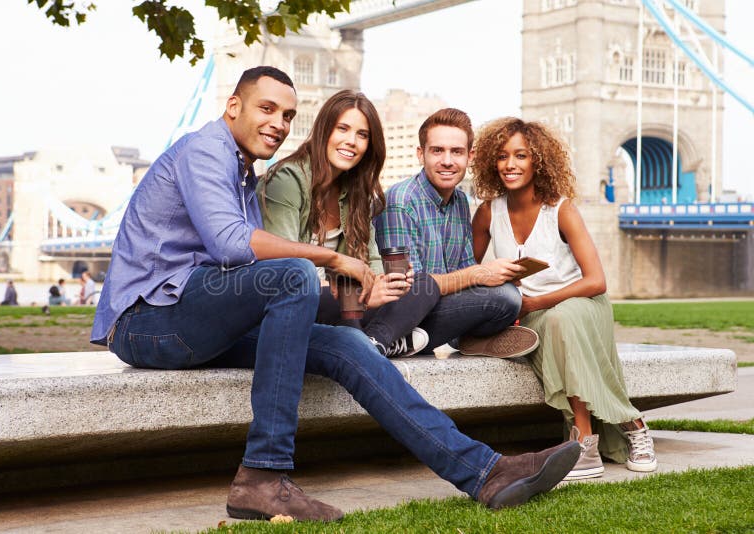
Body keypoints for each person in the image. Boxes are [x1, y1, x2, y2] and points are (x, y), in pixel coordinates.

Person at [90, 67, 580, 522]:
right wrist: (333, 259)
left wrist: (356, 300)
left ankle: (484, 471)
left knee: (349, 345)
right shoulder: (205, 151)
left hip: (201, 320)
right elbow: (231, 245)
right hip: (147, 321)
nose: (278, 124)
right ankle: (263, 475)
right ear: (234, 105)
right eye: (266, 109)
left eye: (286, 116)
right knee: (295, 275)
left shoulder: (242, 171)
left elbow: (238, 273)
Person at [470, 117, 657, 480]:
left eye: (521, 155)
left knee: (562, 320)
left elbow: (596, 281)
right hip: (529, 315)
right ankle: (630, 425)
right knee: (556, 324)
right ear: (492, 161)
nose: (510, 164)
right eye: (503, 156)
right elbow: (469, 270)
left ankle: (586, 442)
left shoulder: (561, 209)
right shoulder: (487, 213)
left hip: (582, 306)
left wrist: (536, 302)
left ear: (537, 160)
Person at [259, 89, 438, 357]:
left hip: (348, 303)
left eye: (362, 135)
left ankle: (374, 343)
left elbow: (373, 261)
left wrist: (386, 282)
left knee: (426, 286)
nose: (351, 141)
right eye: (342, 128)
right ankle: (381, 340)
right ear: (324, 131)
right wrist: (363, 296)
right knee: (352, 308)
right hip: (299, 300)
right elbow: (284, 269)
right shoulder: (287, 180)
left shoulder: (357, 193)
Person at [374, 108, 539, 358]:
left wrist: (493, 275)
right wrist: (479, 274)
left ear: (469, 157)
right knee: (505, 298)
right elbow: (411, 290)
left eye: (457, 152)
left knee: (508, 292)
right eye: (437, 151)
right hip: (404, 315)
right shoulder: (401, 201)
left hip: (442, 308)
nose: (448, 161)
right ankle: (427, 340)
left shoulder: (460, 201)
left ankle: (469, 340)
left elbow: (465, 269)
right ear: (421, 154)